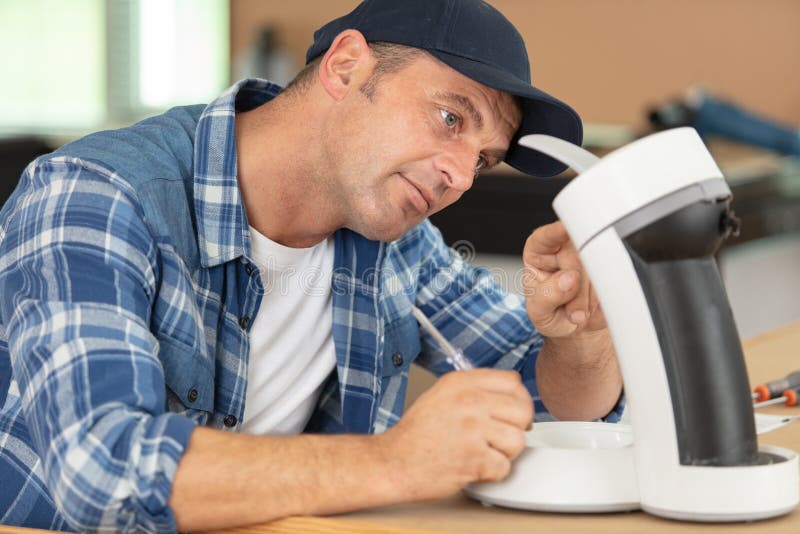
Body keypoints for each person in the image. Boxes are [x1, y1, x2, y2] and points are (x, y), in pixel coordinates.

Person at [0, 0, 623, 531]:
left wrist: (580, 331)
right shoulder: (96, 195)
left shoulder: (395, 245)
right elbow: (103, 469)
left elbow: (553, 407)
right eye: (450, 118)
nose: (461, 176)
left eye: (483, 160)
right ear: (345, 66)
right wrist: (396, 461)